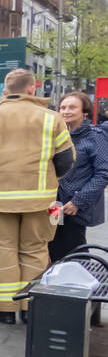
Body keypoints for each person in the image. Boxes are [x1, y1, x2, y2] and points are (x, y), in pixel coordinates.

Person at [0, 69, 75, 324]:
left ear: (5, 89)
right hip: (41, 202)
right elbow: (66, 162)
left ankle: (3, 309)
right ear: (32, 88)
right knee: (35, 251)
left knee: (1, 251)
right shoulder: (52, 119)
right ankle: (30, 307)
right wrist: (48, 181)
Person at [51, 92, 108, 262]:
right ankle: (55, 284)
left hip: (75, 204)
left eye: (72, 107)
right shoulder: (55, 136)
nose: (66, 111)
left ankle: (80, 283)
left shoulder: (95, 136)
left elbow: (103, 173)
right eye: (63, 107)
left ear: (85, 112)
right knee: (52, 245)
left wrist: (79, 201)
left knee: (74, 248)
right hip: (54, 203)